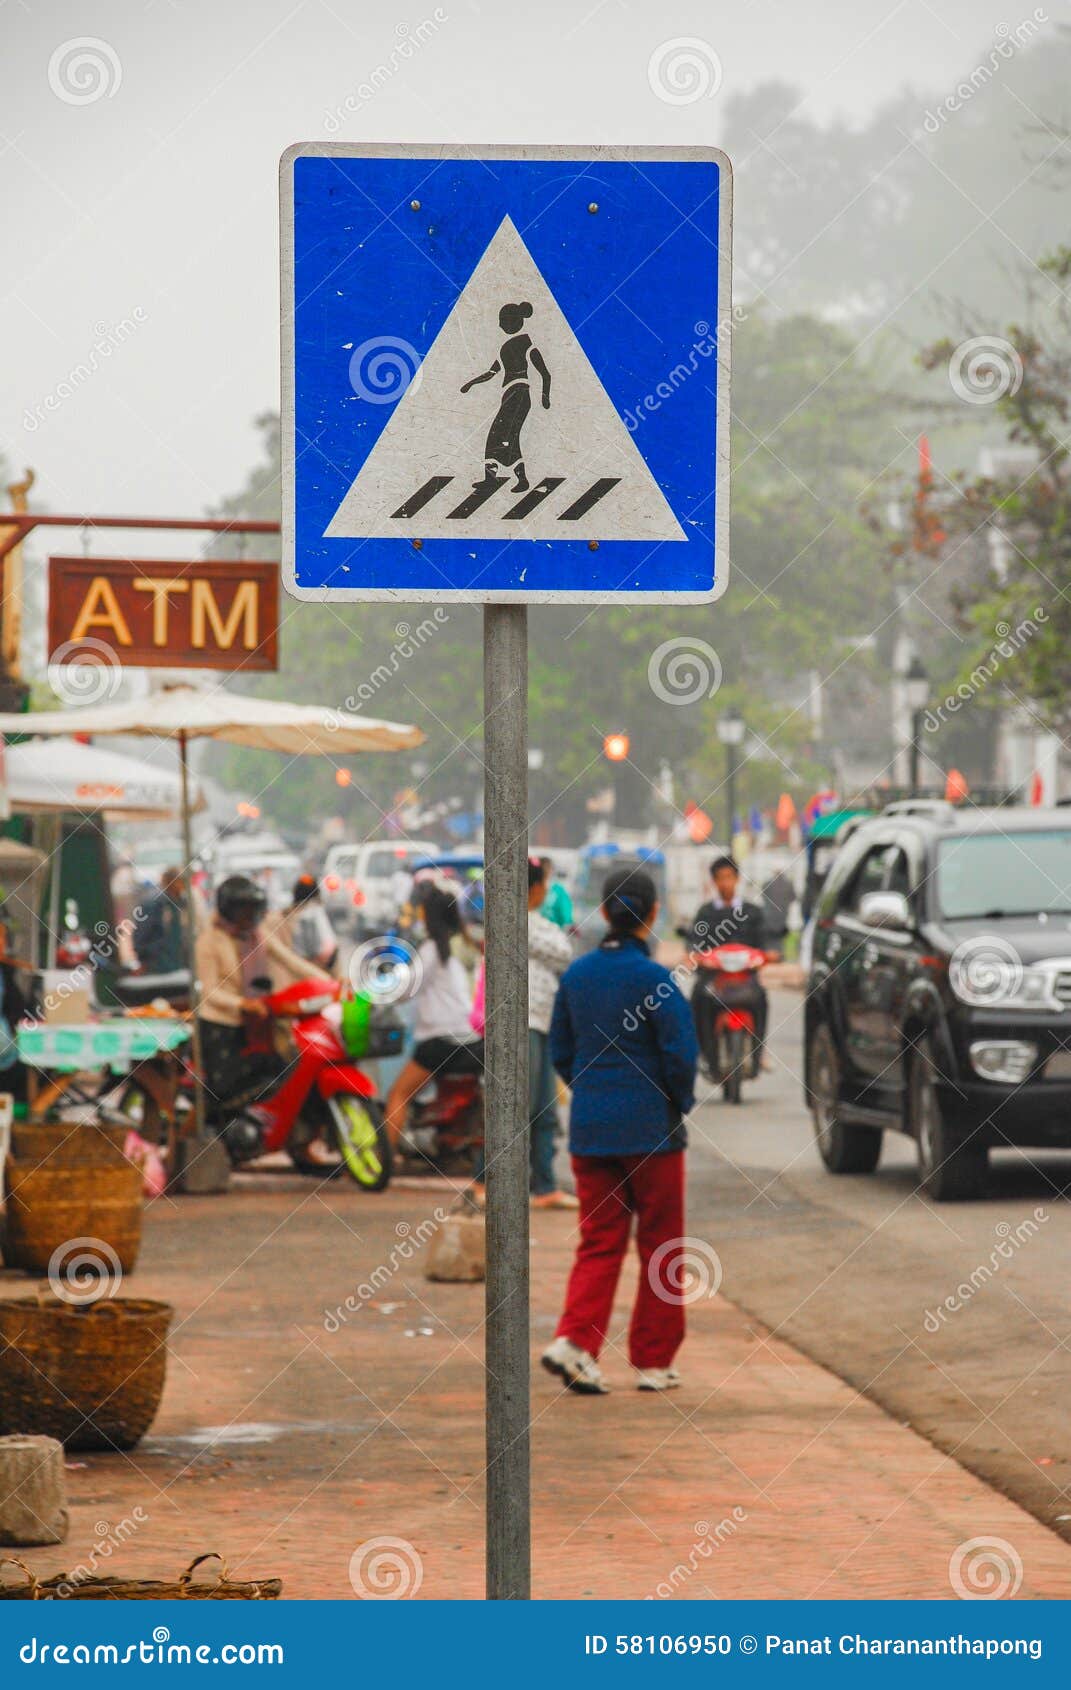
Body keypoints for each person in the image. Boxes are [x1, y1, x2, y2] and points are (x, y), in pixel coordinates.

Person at [543, 868, 698, 1394]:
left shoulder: (577, 976)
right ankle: (653, 1363)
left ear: (605, 912)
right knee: (660, 1245)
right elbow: (680, 1056)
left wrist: (590, 1091)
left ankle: (575, 1343)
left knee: (600, 1241)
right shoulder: (657, 980)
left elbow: (560, 1050)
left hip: (591, 1132)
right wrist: (676, 1104)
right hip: (652, 1133)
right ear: (652, 915)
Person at [195, 875, 332, 1120]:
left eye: (252, 910)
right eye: (243, 910)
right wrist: (242, 1003)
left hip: (256, 1024)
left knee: (284, 1074)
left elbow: (292, 962)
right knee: (234, 1091)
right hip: (222, 1028)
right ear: (229, 910)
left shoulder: (257, 935)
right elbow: (209, 991)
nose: (249, 917)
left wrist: (329, 982)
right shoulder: (209, 940)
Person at [383, 881, 483, 1150]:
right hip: (469, 1037)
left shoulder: (431, 951)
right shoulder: (460, 948)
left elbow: (403, 989)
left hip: (439, 1041)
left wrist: (374, 992)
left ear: (429, 916)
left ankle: (383, 1159)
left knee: (398, 1094)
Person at [688, 853, 772, 1066]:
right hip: (713, 977)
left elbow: (764, 941)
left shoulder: (752, 912)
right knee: (698, 997)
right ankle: (702, 1051)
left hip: (744, 977)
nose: (725, 882)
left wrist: (769, 954)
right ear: (714, 881)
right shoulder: (705, 913)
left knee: (760, 999)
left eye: (729, 877)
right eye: (720, 878)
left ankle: (758, 1053)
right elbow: (694, 941)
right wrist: (696, 955)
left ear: (737, 879)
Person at [460, 301, 551, 495]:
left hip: (520, 395)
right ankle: (509, 479)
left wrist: (545, 395)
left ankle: (503, 479)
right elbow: (491, 373)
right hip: (509, 396)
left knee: (503, 435)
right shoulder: (504, 349)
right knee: (504, 436)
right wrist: (471, 383)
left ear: (512, 322)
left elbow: (545, 373)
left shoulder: (526, 344)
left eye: (503, 321)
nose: (501, 325)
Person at [527, 857, 576, 1209]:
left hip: (544, 1021)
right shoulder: (518, 922)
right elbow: (561, 951)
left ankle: (544, 1185)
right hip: (522, 1023)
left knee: (545, 1108)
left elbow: (564, 951)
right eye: (544, 883)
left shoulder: (541, 924)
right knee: (519, 1105)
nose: (548, 890)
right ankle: (485, 1179)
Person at [265, 875, 338, 974]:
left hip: (298, 969)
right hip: (313, 971)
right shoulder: (312, 912)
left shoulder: (287, 914)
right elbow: (323, 950)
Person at [133, 867, 187, 975]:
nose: (183, 886)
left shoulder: (180, 903)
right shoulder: (154, 904)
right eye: (179, 881)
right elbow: (141, 937)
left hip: (178, 965)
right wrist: (146, 958)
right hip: (158, 968)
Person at [539, 856, 574, 929]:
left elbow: (565, 912)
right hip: (551, 930)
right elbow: (565, 914)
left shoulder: (557, 889)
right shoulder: (557, 890)